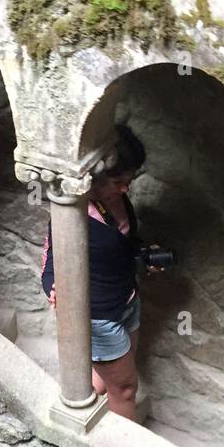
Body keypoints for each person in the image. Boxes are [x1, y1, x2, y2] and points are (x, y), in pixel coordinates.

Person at [39, 126, 159, 421]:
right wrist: (53, 286)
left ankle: (79, 411)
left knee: (104, 380)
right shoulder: (75, 217)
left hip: (127, 299)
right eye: (118, 181)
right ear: (93, 179)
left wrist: (143, 253)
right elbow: (52, 256)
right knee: (126, 389)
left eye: (129, 181)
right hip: (100, 314)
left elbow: (121, 243)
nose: (125, 189)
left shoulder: (115, 200)